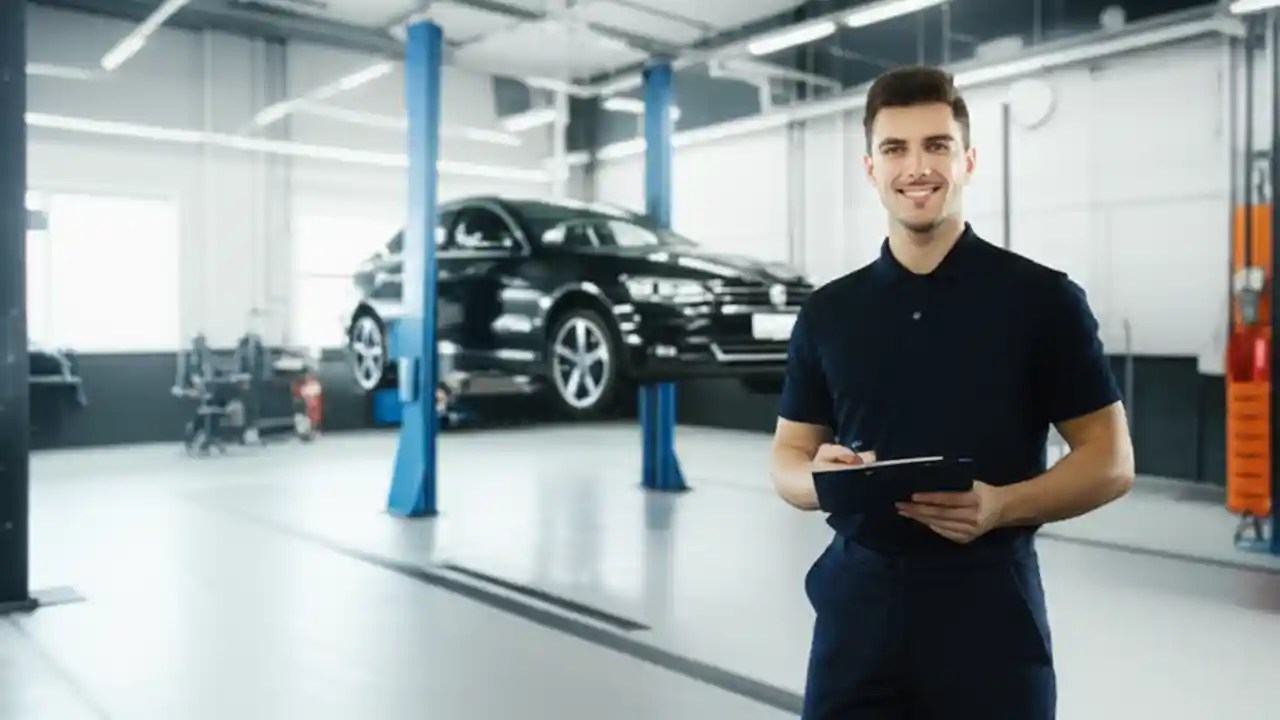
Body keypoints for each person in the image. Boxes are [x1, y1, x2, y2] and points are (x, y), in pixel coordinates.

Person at [769, 65, 1136, 720]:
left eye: (937, 145)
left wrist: (1003, 505)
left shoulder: (1041, 301)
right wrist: (819, 480)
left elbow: (1110, 462)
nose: (918, 167)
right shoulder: (829, 312)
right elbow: (787, 460)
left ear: (967, 160)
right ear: (870, 168)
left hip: (988, 605)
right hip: (859, 606)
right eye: (896, 149)